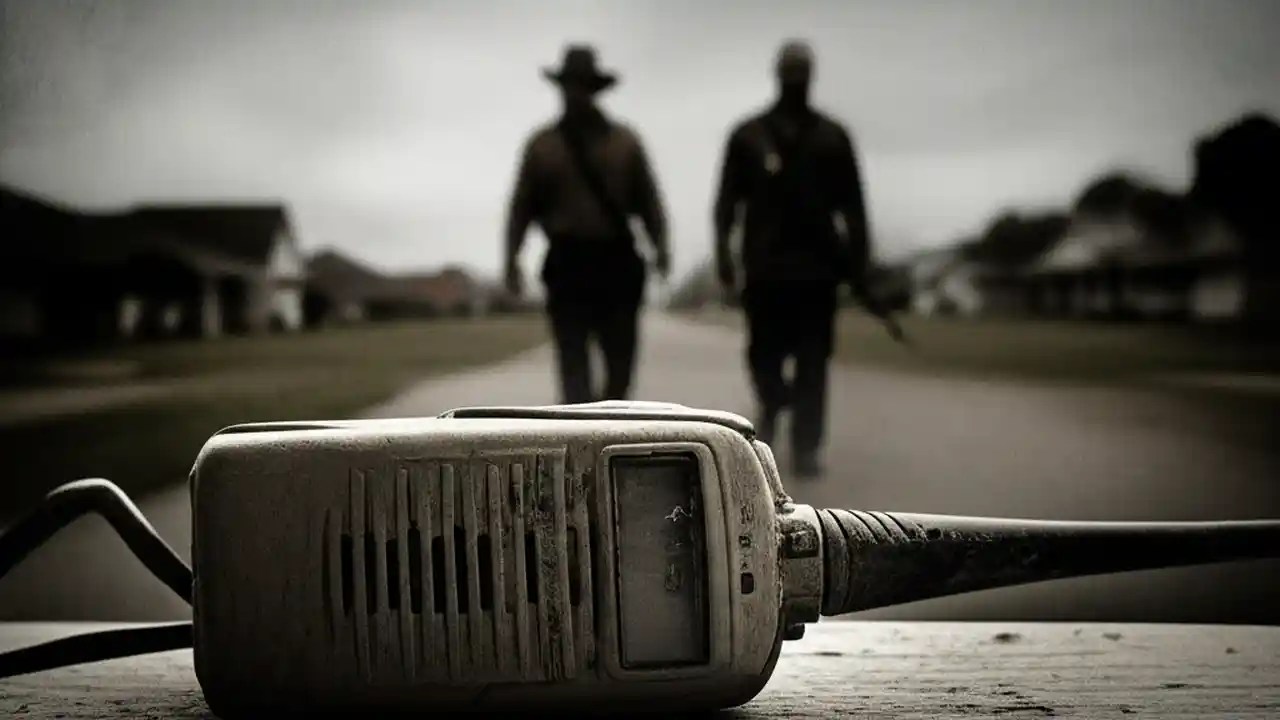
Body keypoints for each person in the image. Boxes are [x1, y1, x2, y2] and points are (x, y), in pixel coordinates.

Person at [712, 40, 872, 477]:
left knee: (813, 360)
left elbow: (854, 207)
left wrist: (859, 266)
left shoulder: (833, 137)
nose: (797, 77)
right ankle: (774, 399)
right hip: (764, 269)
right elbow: (726, 204)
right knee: (762, 355)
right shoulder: (748, 136)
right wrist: (724, 258)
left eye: (803, 70)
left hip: (817, 272)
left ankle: (805, 446)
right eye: (791, 70)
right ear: (778, 74)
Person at [504, 44, 670, 404]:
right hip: (567, 262)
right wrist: (512, 259)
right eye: (571, 85)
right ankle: (581, 438)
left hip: (617, 260)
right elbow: (520, 208)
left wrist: (662, 248)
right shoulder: (543, 146)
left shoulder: (625, 142)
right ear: (561, 88)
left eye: (583, 85)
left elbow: (649, 201)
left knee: (620, 363)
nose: (576, 93)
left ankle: (612, 425)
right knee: (572, 365)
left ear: (595, 89)